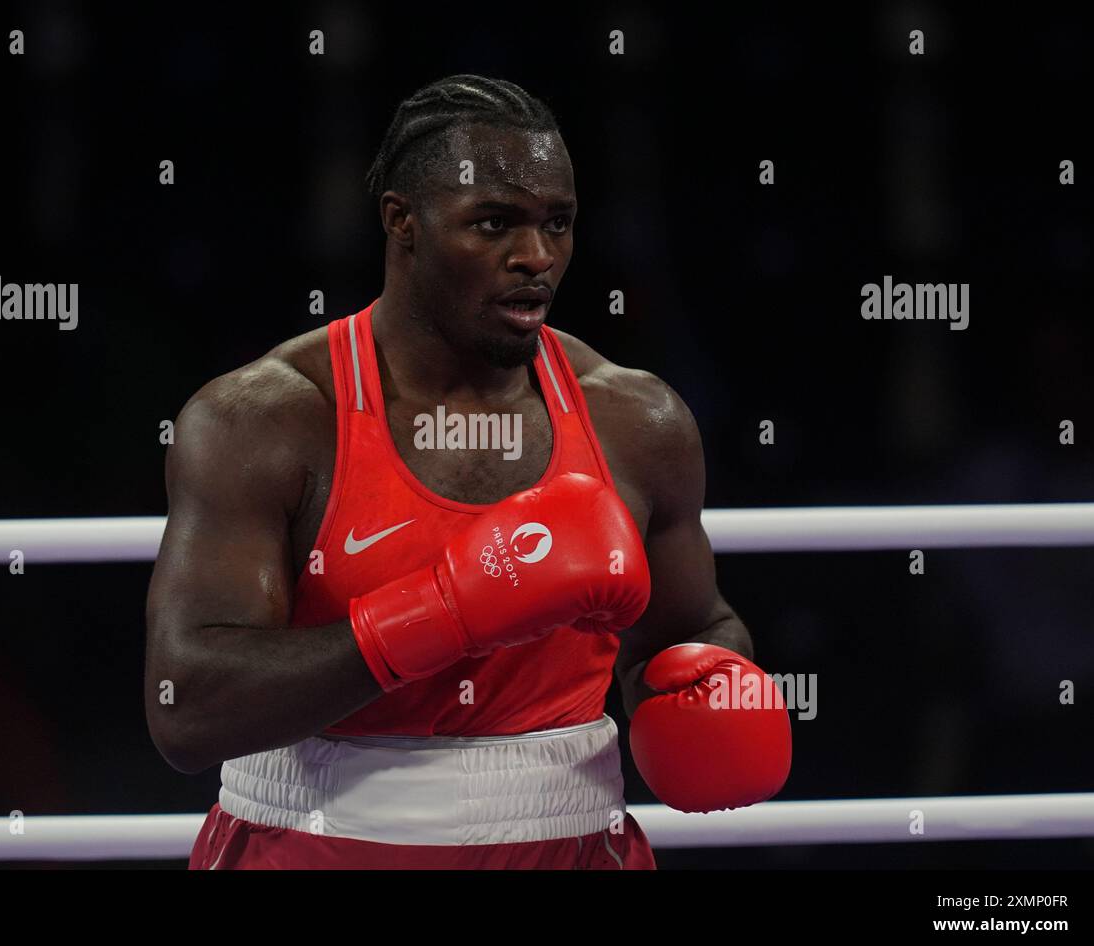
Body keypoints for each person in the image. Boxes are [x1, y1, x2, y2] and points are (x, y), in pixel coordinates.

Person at [145, 74, 789, 869]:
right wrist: (447, 613)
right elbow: (187, 709)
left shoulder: (637, 422)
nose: (536, 256)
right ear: (402, 223)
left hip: (566, 844)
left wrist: (718, 688)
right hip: (310, 843)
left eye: (559, 223)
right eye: (494, 223)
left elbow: (692, 626)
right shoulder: (266, 420)